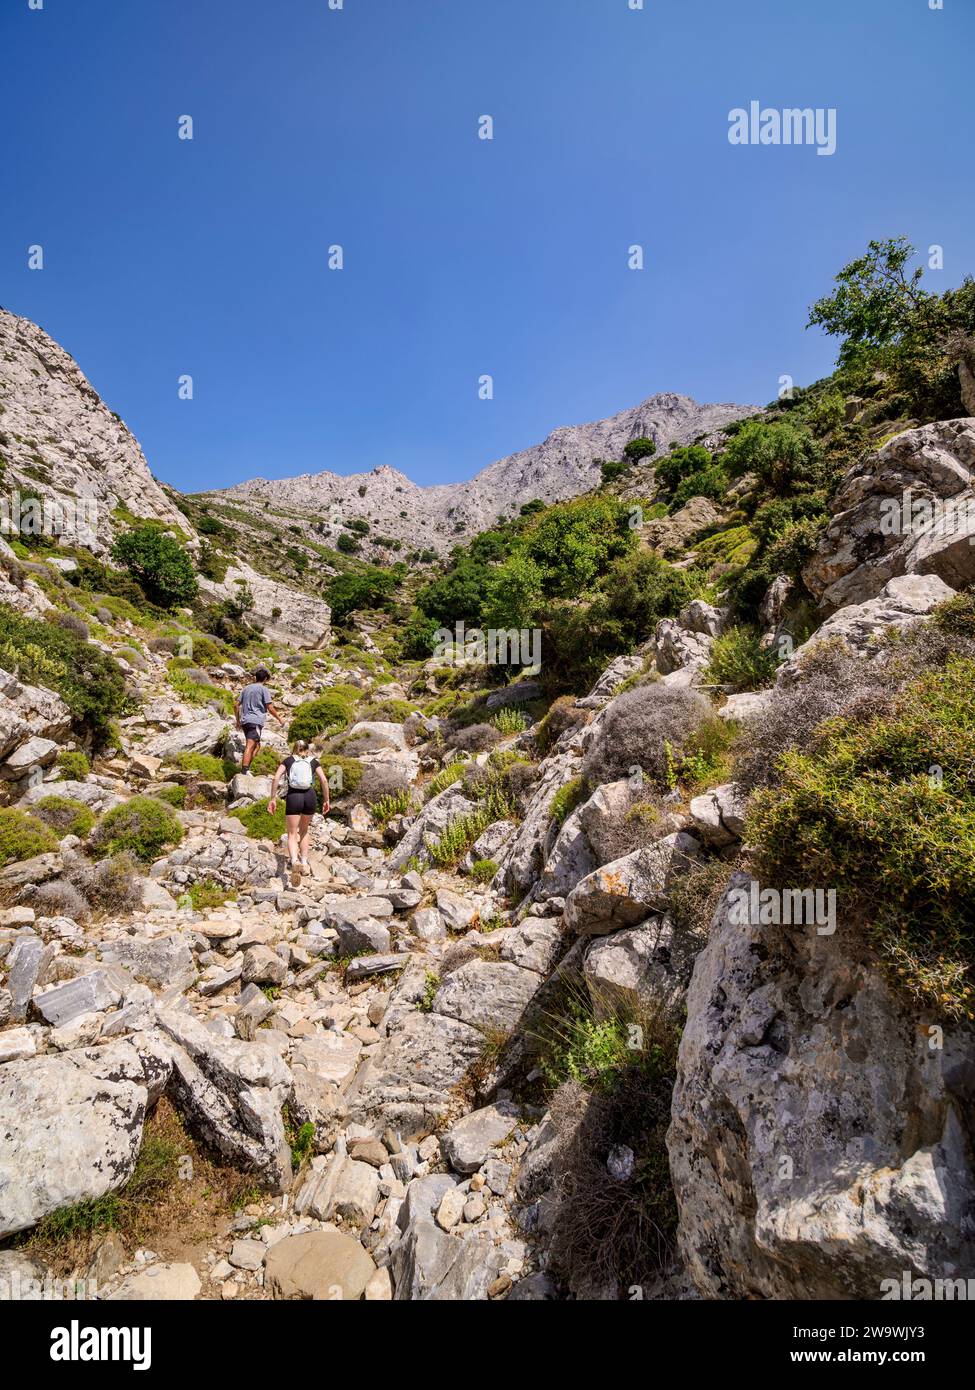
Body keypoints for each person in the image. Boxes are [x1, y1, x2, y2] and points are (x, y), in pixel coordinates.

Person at [268, 740, 331, 887]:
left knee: (291, 833)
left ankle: (294, 860)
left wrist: (273, 798)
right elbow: (324, 780)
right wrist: (326, 800)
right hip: (310, 796)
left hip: (294, 796)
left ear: (294, 749)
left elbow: (276, 777)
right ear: (307, 750)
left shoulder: (288, 760)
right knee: (304, 831)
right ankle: (304, 862)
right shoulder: (313, 761)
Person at [234, 667, 281, 772]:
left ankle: (247, 767)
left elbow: (236, 705)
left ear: (255, 678)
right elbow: (269, 707)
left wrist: (238, 721)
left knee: (257, 745)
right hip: (255, 721)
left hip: (245, 721)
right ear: (265, 679)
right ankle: (245, 771)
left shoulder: (246, 688)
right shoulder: (264, 689)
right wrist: (279, 719)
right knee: (250, 745)